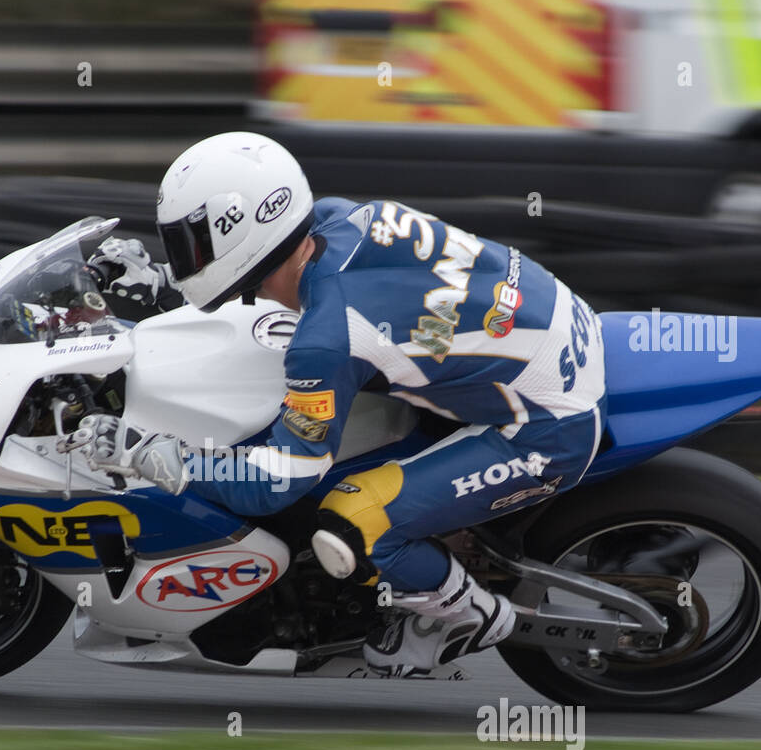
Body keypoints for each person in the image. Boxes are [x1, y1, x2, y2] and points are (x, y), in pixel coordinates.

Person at [80, 131, 606, 678]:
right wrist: (165, 284)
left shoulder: (326, 341)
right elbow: (272, 300)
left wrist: (161, 457)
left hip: (546, 422)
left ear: (243, 230)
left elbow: (275, 483)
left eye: (190, 245)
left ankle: (461, 616)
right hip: (557, 324)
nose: (184, 258)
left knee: (352, 524)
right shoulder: (336, 218)